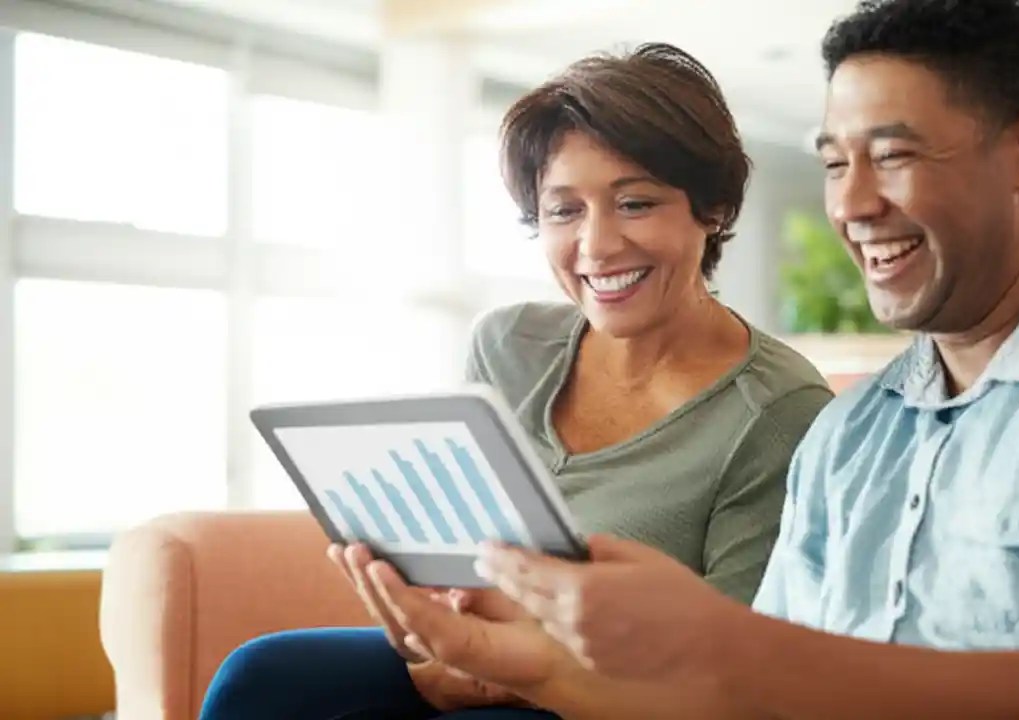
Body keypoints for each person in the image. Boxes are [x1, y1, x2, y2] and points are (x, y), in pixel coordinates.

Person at [357, 1, 1019, 718]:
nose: (854, 203)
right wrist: (518, 666)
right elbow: (744, 708)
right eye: (836, 163)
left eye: (894, 155)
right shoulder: (852, 435)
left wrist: (721, 640)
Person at [197, 43, 834, 720]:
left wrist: (512, 672)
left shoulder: (778, 411)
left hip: (623, 701)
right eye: (564, 211)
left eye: (636, 202)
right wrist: (432, 644)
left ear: (710, 209)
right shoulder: (509, 344)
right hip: (473, 654)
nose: (597, 246)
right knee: (258, 679)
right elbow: (458, 560)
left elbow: (731, 665)